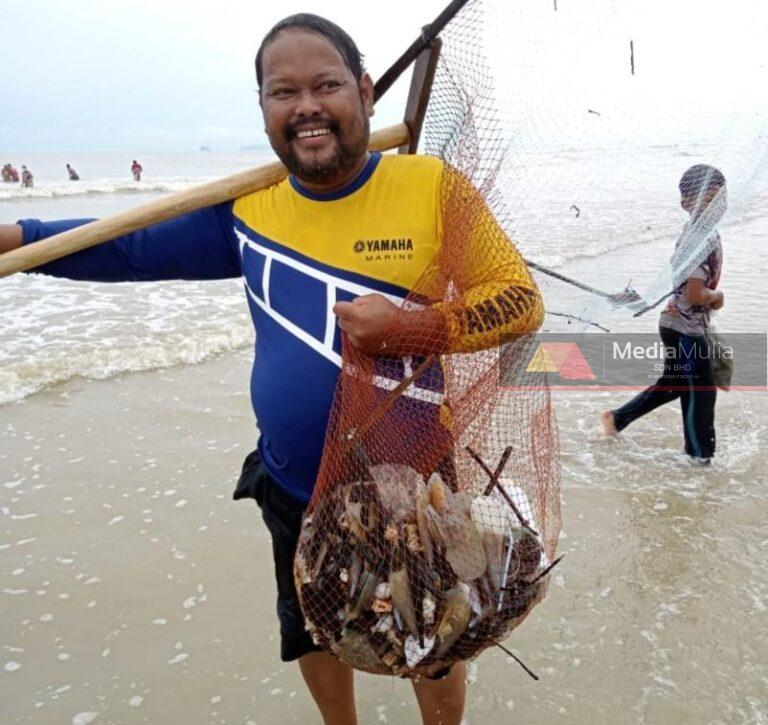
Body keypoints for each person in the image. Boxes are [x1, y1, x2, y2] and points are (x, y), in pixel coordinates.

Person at [0, 14, 544, 725]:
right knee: (311, 627)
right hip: (294, 487)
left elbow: (519, 300)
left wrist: (413, 325)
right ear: (264, 110)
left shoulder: (434, 188)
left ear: (366, 92)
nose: (306, 106)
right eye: (282, 92)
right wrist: (17, 237)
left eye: (326, 85)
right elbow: (124, 249)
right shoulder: (249, 209)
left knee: (434, 638)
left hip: (417, 489)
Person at [602, 164, 726, 463]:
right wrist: (717, 297)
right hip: (685, 331)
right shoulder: (699, 237)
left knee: (677, 383)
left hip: (677, 324)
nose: (717, 205)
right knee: (702, 394)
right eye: (709, 198)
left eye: (721, 197)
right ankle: (699, 461)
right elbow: (697, 294)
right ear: (687, 203)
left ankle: (616, 419)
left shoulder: (701, 232)